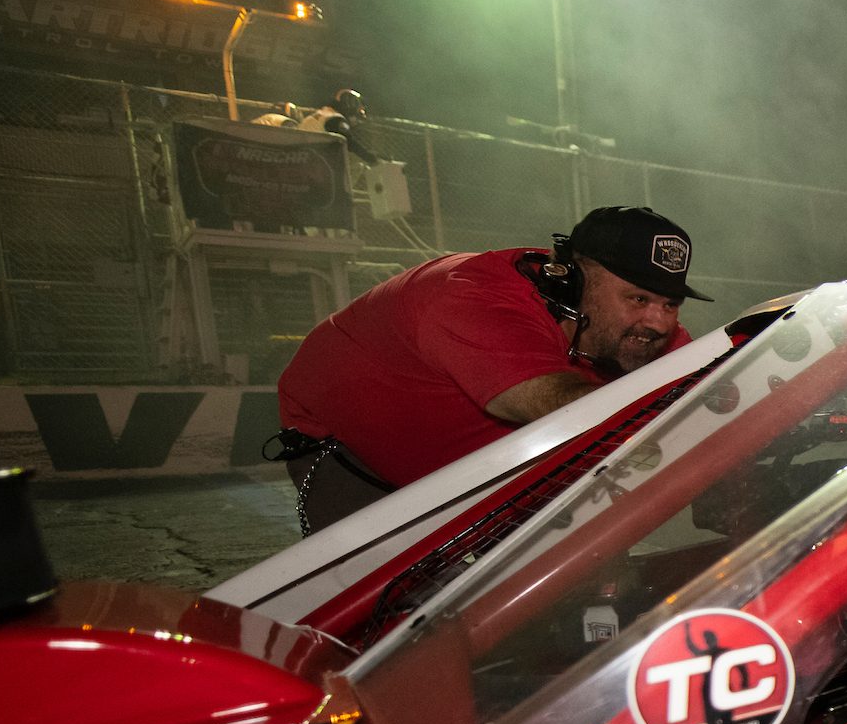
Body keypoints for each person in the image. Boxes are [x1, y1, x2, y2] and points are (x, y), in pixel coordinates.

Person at [273, 205, 707, 534]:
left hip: (480, 477)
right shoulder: (476, 297)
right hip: (355, 464)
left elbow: (703, 388)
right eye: (638, 299)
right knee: (397, 619)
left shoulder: (642, 332)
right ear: (575, 278)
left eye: (670, 304)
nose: (659, 322)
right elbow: (552, 403)